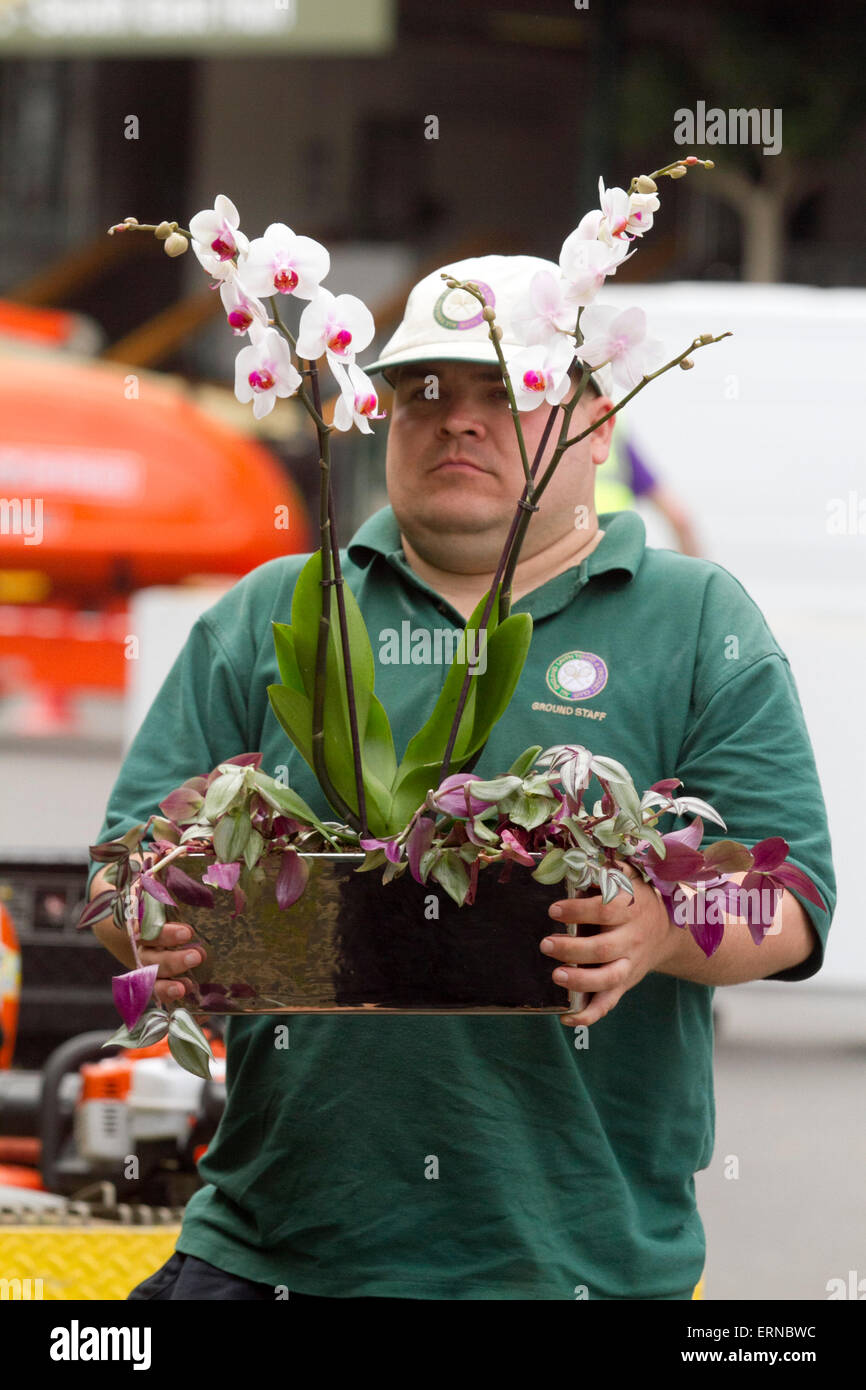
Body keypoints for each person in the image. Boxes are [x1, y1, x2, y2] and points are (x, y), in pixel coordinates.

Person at [86, 254, 835, 1301]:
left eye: (507, 391)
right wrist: (152, 922)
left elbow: (792, 898)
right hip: (269, 1254)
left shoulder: (694, 620)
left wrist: (658, 927)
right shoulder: (275, 613)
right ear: (382, 416)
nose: (459, 421)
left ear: (595, 424)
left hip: (570, 1267)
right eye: (424, 394)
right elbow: (121, 874)